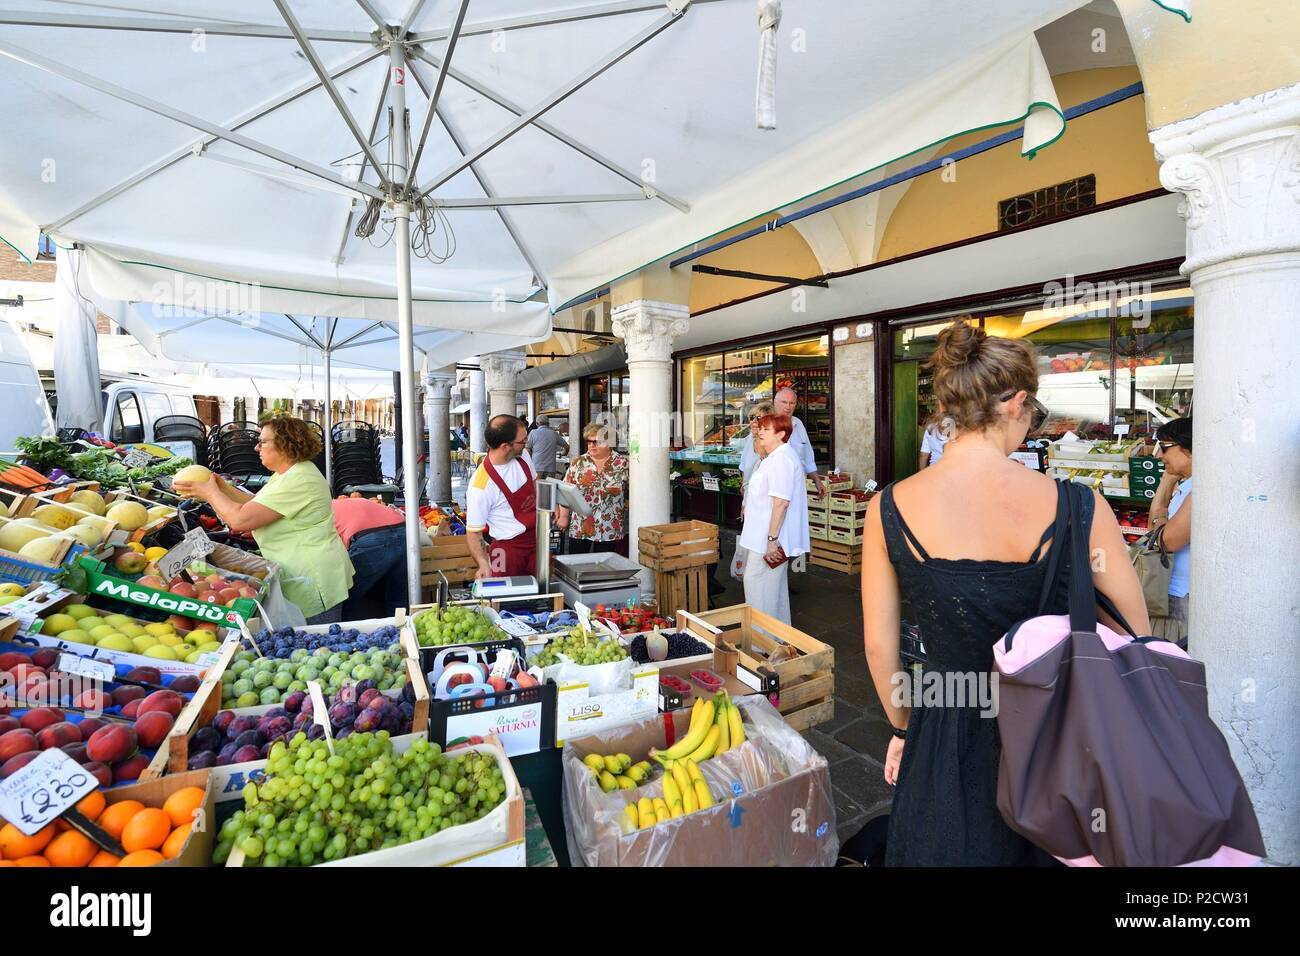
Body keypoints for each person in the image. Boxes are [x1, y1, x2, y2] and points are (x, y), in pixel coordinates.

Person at [860, 322, 1150, 866]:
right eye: (1033, 413)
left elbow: (880, 649)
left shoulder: (888, 508)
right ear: (1017, 402)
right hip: (1058, 733)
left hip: (946, 728)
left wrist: (904, 729)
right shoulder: (1082, 506)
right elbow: (1134, 635)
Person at [175, 417, 354, 624]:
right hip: (308, 569)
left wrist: (210, 494)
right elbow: (257, 503)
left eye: (263, 442)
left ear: (285, 445)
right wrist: (223, 488)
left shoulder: (299, 479)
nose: (256, 447)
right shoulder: (288, 473)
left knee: (317, 640)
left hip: (313, 576)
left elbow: (240, 520)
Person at [738, 412, 810, 624]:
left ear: (781, 434)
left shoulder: (782, 459)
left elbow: (781, 503)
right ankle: (777, 638)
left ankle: (762, 642)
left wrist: (771, 541)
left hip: (769, 539)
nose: (760, 432)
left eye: (766, 429)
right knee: (771, 588)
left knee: (757, 585)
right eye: (760, 427)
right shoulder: (775, 457)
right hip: (763, 535)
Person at [466, 415, 538, 578]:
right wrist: (483, 563)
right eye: (523, 441)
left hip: (536, 541)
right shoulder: (480, 486)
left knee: (543, 594)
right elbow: (473, 533)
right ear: (506, 446)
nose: (526, 444)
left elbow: (535, 485)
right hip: (505, 550)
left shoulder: (523, 455)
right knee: (506, 599)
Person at [1149, 417, 1192, 649]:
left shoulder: (1200, 489)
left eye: (1164, 448)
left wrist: (1161, 518)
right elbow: (1152, 529)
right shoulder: (1187, 485)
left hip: (1182, 601)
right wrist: (1166, 482)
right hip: (1170, 597)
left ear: (1189, 449)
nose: (1159, 456)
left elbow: (1166, 540)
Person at [557, 421, 629, 554]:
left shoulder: (623, 464)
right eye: (589, 442)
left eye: (596, 442)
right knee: (578, 564)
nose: (592, 446)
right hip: (581, 526)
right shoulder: (577, 463)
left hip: (610, 527)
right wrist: (563, 516)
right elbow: (565, 490)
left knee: (605, 568)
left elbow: (633, 492)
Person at [331, 496, 406, 619]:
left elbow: (335, 553)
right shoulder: (348, 503)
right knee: (398, 596)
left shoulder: (323, 513)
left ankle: (345, 632)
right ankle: (400, 630)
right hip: (404, 531)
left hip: (371, 538)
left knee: (347, 595)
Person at [525, 415, 568, 479]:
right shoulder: (554, 433)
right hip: (550, 468)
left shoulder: (533, 433)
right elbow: (566, 446)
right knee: (549, 488)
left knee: (537, 488)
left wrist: (530, 462)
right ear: (548, 423)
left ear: (537, 423)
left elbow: (527, 449)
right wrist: (564, 453)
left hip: (536, 467)